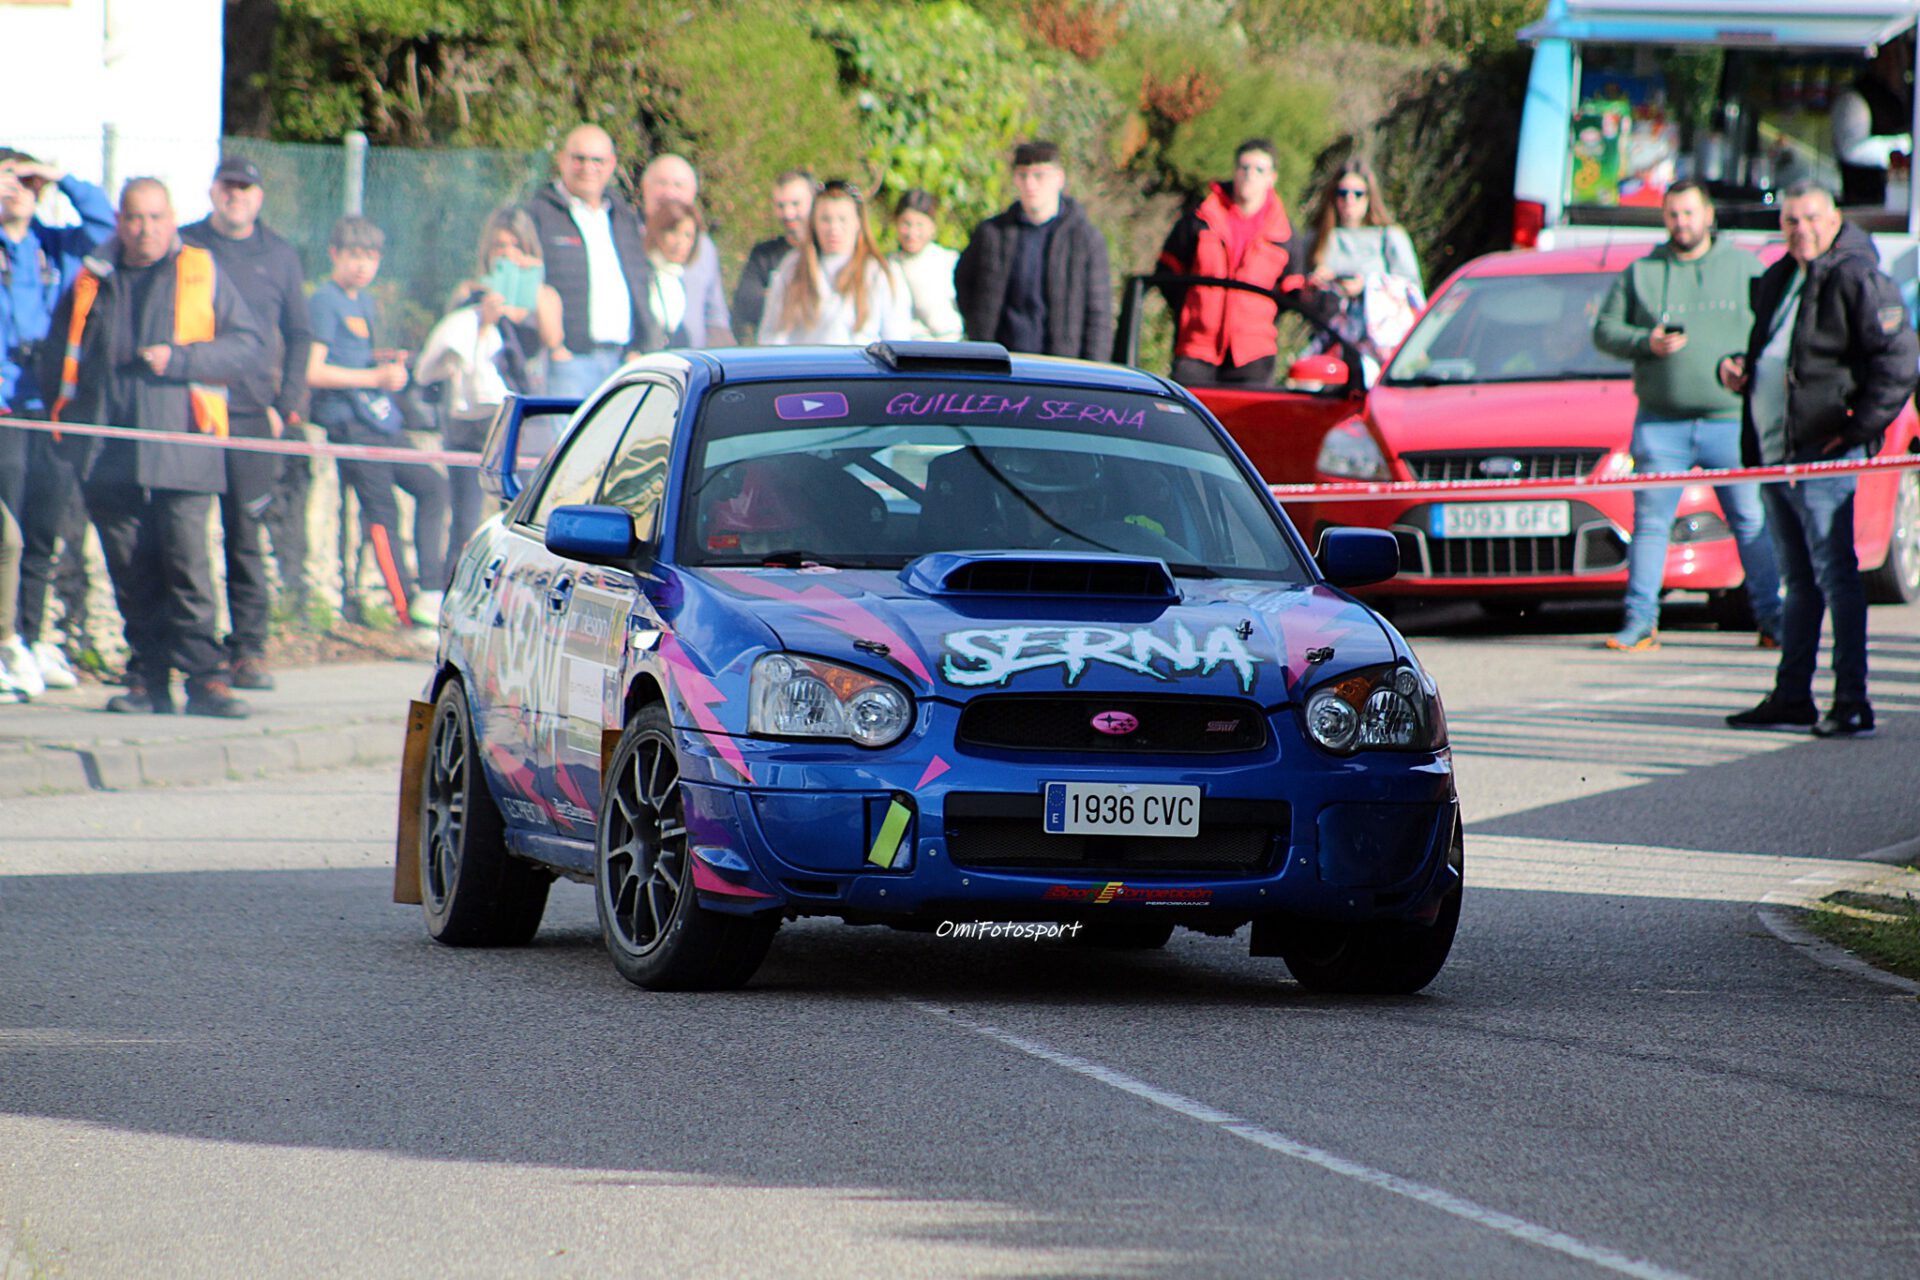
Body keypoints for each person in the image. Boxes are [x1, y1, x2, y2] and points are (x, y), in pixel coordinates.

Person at [40, 177, 264, 718]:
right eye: (135, 218)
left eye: (156, 218)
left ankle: (206, 681)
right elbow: (58, 357)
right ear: (120, 221)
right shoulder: (93, 277)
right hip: (106, 454)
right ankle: (148, 679)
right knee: (130, 572)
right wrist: (68, 437)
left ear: (172, 220)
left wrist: (181, 360)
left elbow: (247, 347)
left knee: (187, 569)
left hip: (182, 450)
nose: (145, 229)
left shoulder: (202, 270)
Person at [1719, 182, 1918, 737]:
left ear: (1834, 221)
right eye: (1789, 220)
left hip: (1823, 457)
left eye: (1809, 219)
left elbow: (1900, 361)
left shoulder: (1855, 275)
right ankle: (1792, 695)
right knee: (1798, 581)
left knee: (1838, 579)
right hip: (1774, 454)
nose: (1799, 229)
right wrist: (1736, 371)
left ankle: (1851, 702)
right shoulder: (1784, 275)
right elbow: (1778, 356)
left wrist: (1855, 428)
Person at [1591, 179, 1781, 652]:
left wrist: (1747, 362)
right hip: (1662, 422)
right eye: (1673, 214)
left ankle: (1774, 621)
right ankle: (1640, 623)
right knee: (1651, 524)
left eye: (1690, 213)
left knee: (1750, 519)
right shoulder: (1643, 272)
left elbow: (1775, 329)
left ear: (1709, 215)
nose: (1681, 223)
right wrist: (1645, 343)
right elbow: (1604, 330)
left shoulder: (1744, 268)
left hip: (1729, 420)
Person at [179, 155, 313, 691]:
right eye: (227, 186)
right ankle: (187, 648)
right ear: (213, 191)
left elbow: (300, 335)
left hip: (254, 416)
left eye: (245, 188)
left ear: (259, 197)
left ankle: (248, 650)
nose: (236, 195)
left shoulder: (279, 255)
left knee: (245, 536)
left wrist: (287, 404)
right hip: (189, 412)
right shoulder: (185, 244)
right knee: (181, 537)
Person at [0, 146, 114, 696]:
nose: (13, 190)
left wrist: (60, 177)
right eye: (3, 180)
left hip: (51, 410)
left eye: (21, 180)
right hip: (5, 412)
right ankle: (8, 643)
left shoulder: (55, 247)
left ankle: (33, 634)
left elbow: (105, 226)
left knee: (45, 531)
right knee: (11, 535)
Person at [307, 215, 450, 632]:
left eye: (370, 257)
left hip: (380, 417)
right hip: (348, 423)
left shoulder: (365, 301)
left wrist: (386, 369)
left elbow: (358, 358)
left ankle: (431, 590)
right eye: (354, 255)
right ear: (335, 255)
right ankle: (408, 612)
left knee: (433, 486)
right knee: (382, 510)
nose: (362, 266)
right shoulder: (324, 300)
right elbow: (314, 371)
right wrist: (373, 378)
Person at [421, 206, 555, 557]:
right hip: (472, 419)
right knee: (464, 518)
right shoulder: (469, 293)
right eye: (499, 246)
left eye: (516, 246)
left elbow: (554, 340)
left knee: (521, 518)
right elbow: (453, 348)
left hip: (524, 422)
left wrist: (526, 291)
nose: (508, 254)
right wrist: (485, 316)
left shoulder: (542, 294)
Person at [524, 124, 662, 399]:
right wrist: (556, 349)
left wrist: (641, 345)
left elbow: (638, 280)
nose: (588, 167)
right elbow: (527, 282)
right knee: (567, 442)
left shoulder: (623, 215)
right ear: (562, 159)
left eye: (597, 160)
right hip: (569, 361)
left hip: (623, 360)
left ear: (611, 164)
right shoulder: (538, 212)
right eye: (579, 159)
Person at [1157, 138, 1295, 386]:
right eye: (1244, 167)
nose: (1249, 175)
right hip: (1196, 350)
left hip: (1252, 356)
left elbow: (1293, 294)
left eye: (1259, 169)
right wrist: (1192, 312)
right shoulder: (1200, 218)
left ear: (1272, 178)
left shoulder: (1284, 233)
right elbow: (1167, 274)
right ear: (1234, 171)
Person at [955, 141, 1112, 360]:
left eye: (1039, 175)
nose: (1030, 184)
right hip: (1002, 365)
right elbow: (963, 281)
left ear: (1059, 179)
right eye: (1022, 175)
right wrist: (980, 331)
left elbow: (1099, 315)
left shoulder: (1085, 240)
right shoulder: (992, 233)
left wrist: (1093, 373)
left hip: (1063, 368)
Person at [1303, 158, 1424, 383]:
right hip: (1331, 343)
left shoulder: (1389, 237)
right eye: (1342, 193)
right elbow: (1299, 290)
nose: (1349, 200)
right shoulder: (1318, 239)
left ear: (1369, 197)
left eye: (1358, 194)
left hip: (1379, 348)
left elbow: (1412, 291)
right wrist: (1319, 284)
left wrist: (1367, 286)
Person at [758, 179, 907, 345]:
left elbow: (897, 342)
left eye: (842, 219)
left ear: (858, 222)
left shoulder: (880, 273)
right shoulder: (791, 268)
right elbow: (771, 336)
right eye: (825, 219)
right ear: (814, 223)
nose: (834, 228)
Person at [640, 154, 731, 347]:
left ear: (693, 192)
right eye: (661, 183)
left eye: (678, 185)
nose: (670, 193)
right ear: (645, 188)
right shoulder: (629, 238)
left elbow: (715, 314)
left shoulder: (704, 247)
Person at [1832, 39, 1913, 209]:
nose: (1898, 62)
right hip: (1864, 204)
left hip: (1900, 204)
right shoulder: (1855, 98)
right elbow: (1852, 150)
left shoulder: (1903, 96)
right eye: (1891, 55)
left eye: (1900, 55)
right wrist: (1905, 145)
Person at [733, 169, 813, 339]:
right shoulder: (763, 254)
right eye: (781, 206)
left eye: (796, 204)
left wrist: (774, 294)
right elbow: (746, 304)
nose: (788, 214)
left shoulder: (826, 256)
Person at [889, 189, 962, 342]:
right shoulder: (888, 266)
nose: (912, 232)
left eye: (920, 225)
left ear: (932, 226)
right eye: (906, 224)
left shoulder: (950, 262)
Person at [643, 198, 704, 347]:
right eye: (672, 231)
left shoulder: (679, 279)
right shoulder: (642, 274)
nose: (679, 242)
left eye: (688, 235)